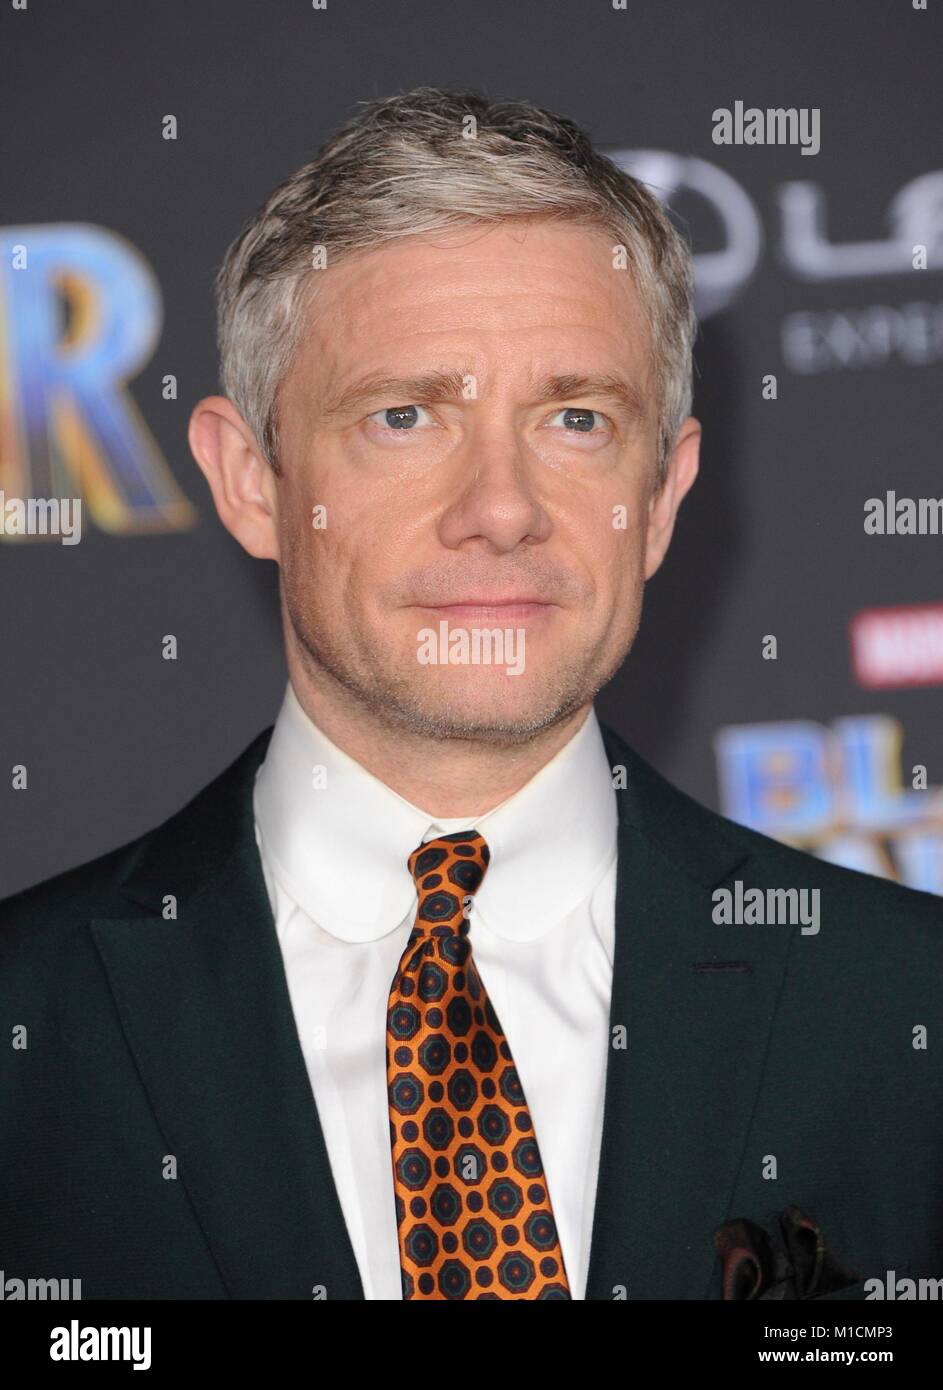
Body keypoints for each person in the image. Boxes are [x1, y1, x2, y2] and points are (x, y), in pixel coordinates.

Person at [1, 86, 940, 1302]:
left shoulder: (907, 1015)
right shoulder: (27, 1030)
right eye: (403, 415)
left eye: (575, 418)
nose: (500, 508)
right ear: (250, 481)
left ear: (660, 494)